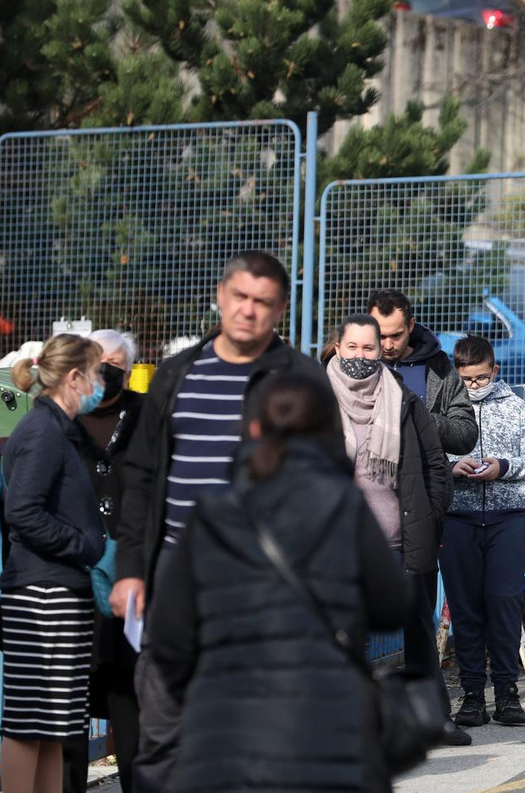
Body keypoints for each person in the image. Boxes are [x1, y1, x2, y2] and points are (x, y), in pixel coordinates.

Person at [111, 251, 337, 791]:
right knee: (163, 732)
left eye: (263, 302)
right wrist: (129, 569)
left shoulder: (303, 380)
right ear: (221, 296)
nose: (249, 311)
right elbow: (140, 475)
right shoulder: (177, 373)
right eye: (240, 297)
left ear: (281, 309)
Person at [145, 373, 414, 793]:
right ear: (328, 430)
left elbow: (167, 635)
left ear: (253, 429)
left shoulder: (210, 515)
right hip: (328, 731)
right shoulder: (344, 506)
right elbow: (393, 604)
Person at [323, 314, 459, 738]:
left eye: (369, 348)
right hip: (340, 545)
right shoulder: (314, 400)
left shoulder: (402, 399)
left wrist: (429, 516)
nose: (361, 357)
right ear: (337, 348)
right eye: (353, 348)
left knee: (418, 630)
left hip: (402, 539)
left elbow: (436, 465)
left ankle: (435, 718)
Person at [1, 335, 108, 793]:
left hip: (59, 590)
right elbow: (22, 511)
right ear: (73, 377)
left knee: (51, 726)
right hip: (41, 595)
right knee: (29, 723)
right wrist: (85, 546)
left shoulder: (57, 429)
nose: (101, 383)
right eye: (97, 373)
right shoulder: (42, 432)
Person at [442, 335, 525, 727]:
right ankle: (472, 695)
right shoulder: (445, 409)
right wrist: (454, 467)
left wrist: (503, 467)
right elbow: (430, 457)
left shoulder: (516, 407)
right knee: (466, 609)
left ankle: (506, 691)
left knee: (503, 604)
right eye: (467, 379)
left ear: (495, 371)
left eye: (482, 378)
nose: (474, 386)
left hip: (509, 517)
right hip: (459, 518)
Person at [63, 330, 144, 793]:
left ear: (129, 371)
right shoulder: (64, 417)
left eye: (115, 363)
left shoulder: (147, 415)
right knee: (72, 704)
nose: (106, 370)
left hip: (129, 578)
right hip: (76, 577)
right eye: (99, 362)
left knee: (129, 697)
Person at [366, 289, 477, 456]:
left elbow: (466, 435)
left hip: (425, 478)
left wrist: (422, 419)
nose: (388, 345)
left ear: (411, 325)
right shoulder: (354, 364)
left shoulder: (439, 368)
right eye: (381, 336)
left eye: (396, 336)